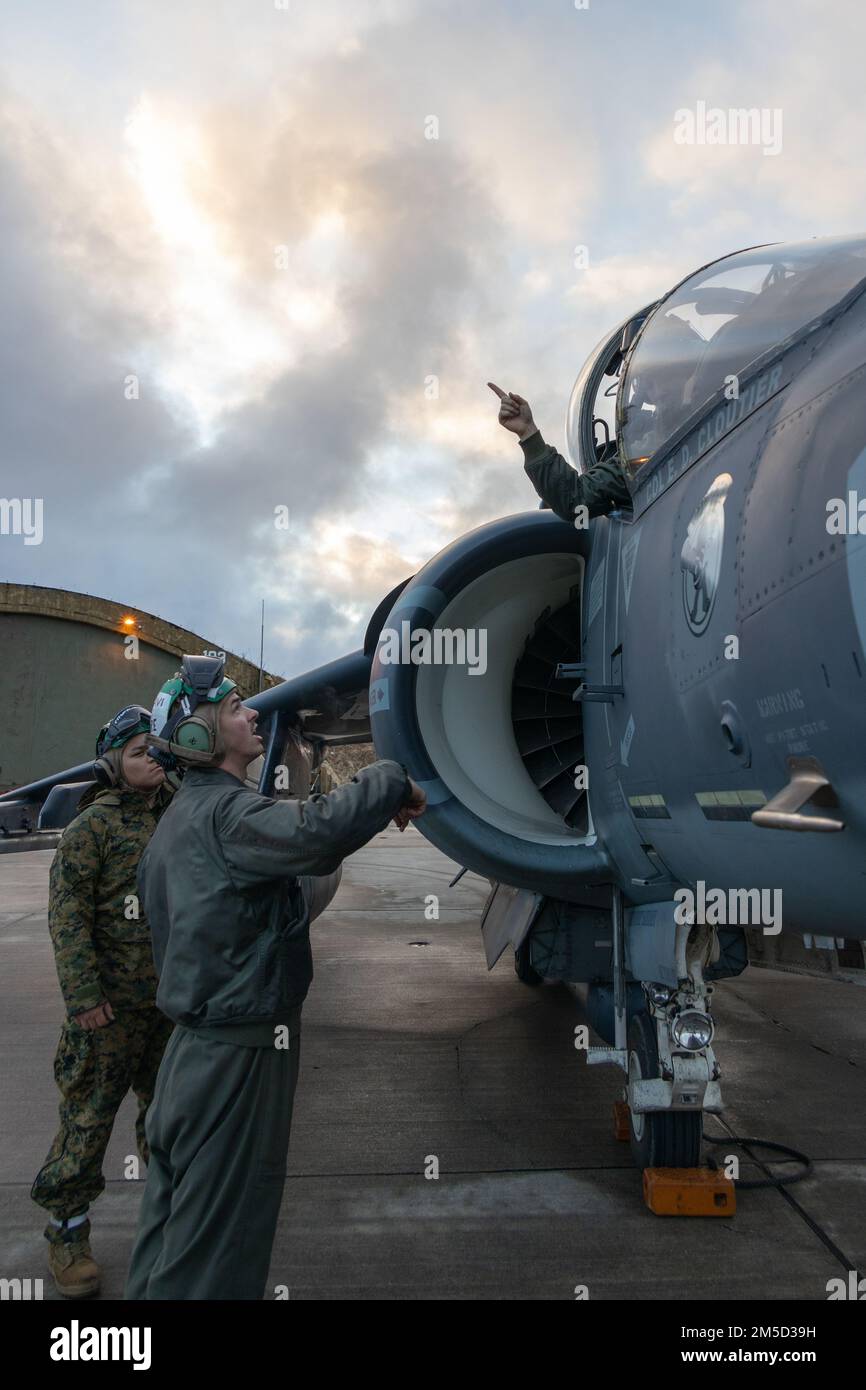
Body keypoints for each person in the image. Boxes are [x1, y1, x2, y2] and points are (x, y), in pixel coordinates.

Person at [125, 656, 427, 1300]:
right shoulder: (229, 818)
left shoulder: (176, 825)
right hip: (238, 1053)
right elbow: (318, 834)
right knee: (219, 1247)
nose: (253, 712)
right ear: (201, 737)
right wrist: (392, 776)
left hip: (189, 1051)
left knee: (171, 1229)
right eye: (236, 708)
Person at [31, 705, 174, 1298]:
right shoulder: (93, 828)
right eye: (141, 752)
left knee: (168, 1118)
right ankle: (67, 1236)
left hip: (168, 1006)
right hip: (108, 1012)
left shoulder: (178, 813)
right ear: (114, 764)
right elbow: (68, 919)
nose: (154, 761)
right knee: (88, 1121)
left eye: (157, 750)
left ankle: (168, 1222)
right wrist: (86, 998)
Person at [488, 381, 631, 521]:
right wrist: (527, 430)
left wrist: (528, 434)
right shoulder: (640, 452)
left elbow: (576, 499)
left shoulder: (639, 457)